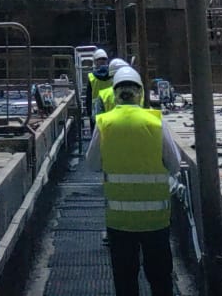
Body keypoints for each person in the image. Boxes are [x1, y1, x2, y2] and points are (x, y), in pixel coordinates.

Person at [87, 64, 182, 296]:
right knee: (160, 279)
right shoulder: (156, 122)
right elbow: (174, 164)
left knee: (125, 280)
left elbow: (92, 164)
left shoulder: (105, 123)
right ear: (139, 93)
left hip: (120, 221)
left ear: (116, 93)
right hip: (155, 221)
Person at [86, 50, 115, 126]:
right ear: (107, 61)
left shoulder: (91, 77)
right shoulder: (113, 75)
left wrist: (89, 113)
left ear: (95, 62)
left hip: (95, 112)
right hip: (111, 110)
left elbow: (88, 98)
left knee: (96, 136)